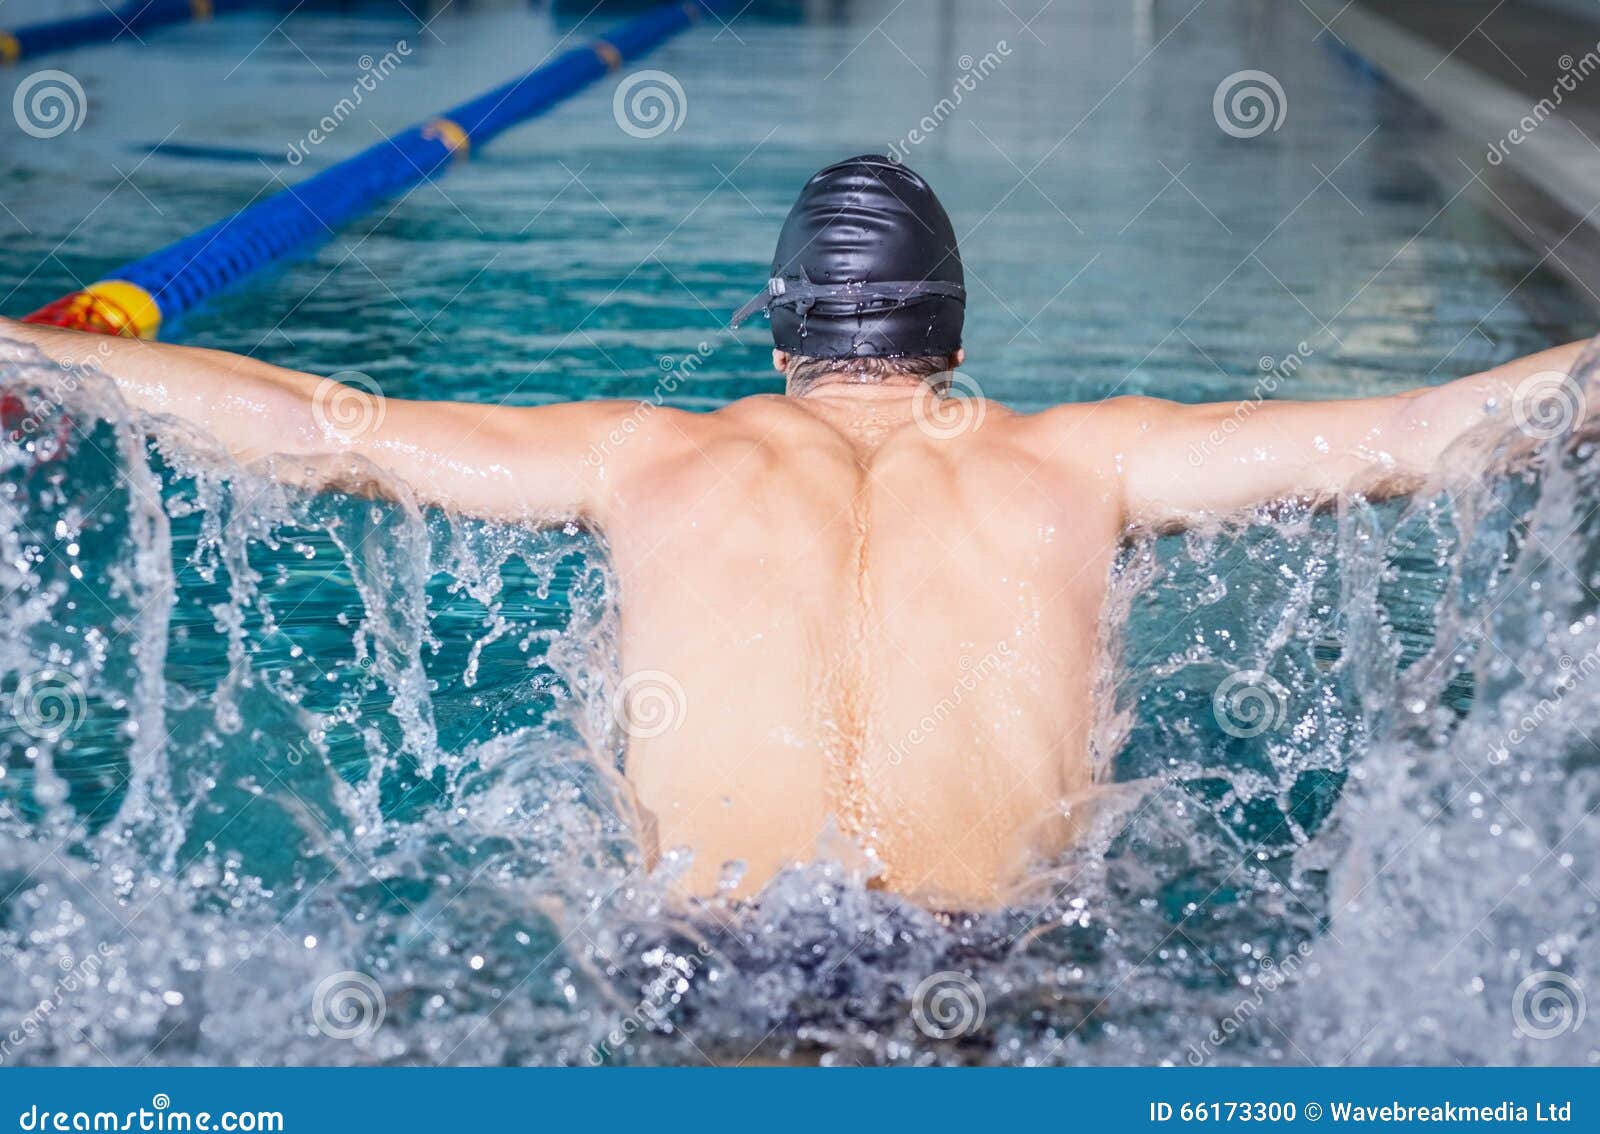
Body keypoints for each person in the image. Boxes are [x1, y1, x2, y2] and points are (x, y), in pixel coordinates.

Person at [1, 155, 1588, 908]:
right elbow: (1426, 431)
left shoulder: (643, 455)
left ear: (781, 337)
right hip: (991, 980)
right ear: (950, 339)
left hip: (703, 975)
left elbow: (321, 427)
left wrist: (42, 357)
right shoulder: (1090, 457)